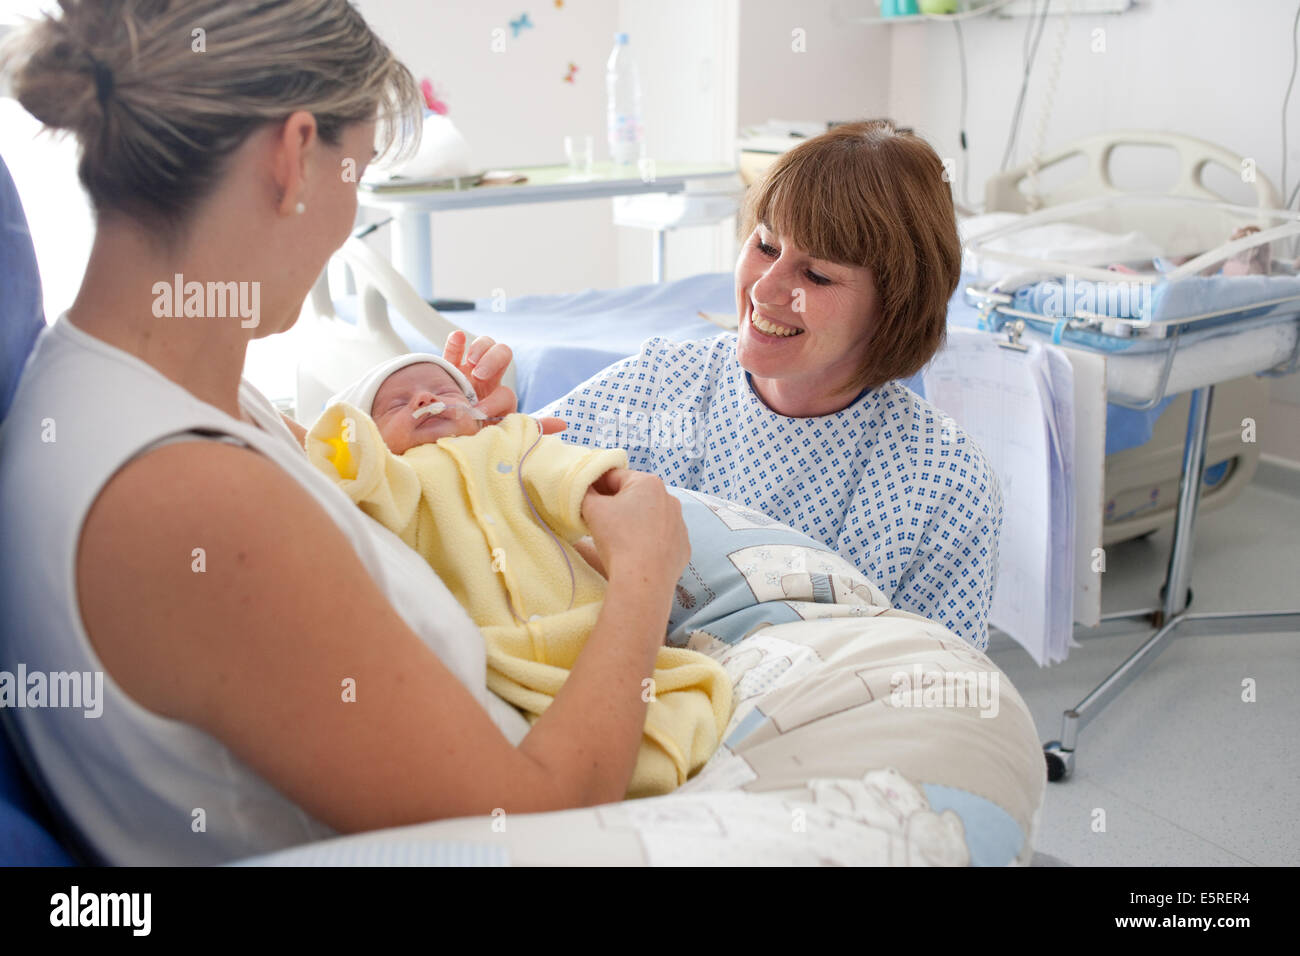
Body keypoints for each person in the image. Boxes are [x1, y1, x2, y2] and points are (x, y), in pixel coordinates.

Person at [0, 0, 691, 865]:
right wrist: (643, 576)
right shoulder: (188, 505)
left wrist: (435, 455)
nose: (346, 220)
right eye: (355, 175)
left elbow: (305, 525)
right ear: (292, 157)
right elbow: (536, 819)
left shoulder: (138, 385)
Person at [539, 120, 1004, 651]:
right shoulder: (658, 384)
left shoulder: (943, 482)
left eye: (818, 276)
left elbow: (937, 690)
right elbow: (498, 478)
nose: (767, 288)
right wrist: (461, 413)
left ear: (893, 308)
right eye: (765, 245)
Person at [304, 353, 733, 799]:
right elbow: (354, 486)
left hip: (579, 619)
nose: (427, 398)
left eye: (445, 391)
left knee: (681, 704)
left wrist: (595, 481)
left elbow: (559, 472)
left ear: (477, 413)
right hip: (493, 647)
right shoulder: (399, 477)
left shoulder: (509, 442)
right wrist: (351, 445)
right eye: (396, 404)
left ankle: (663, 760)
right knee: (524, 715)